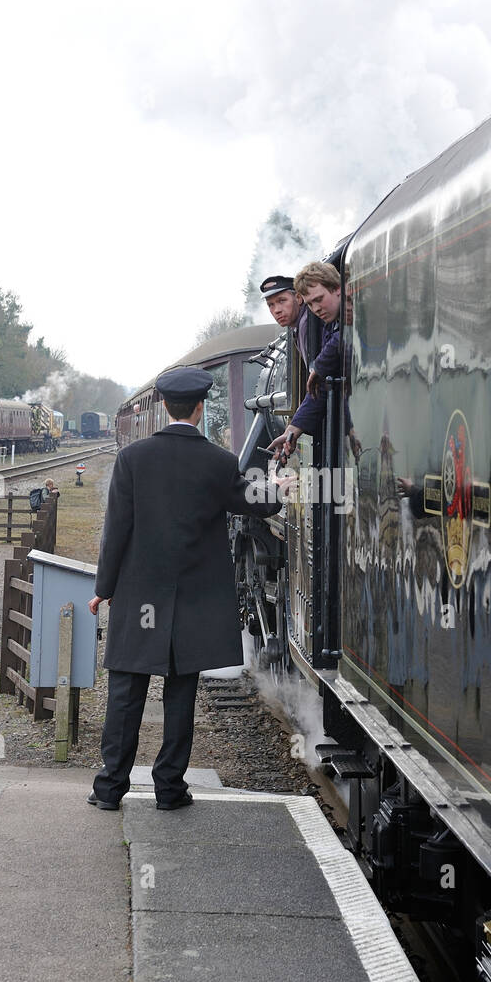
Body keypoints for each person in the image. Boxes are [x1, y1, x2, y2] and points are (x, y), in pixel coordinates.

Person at [87, 366, 284, 811]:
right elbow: (257, 503)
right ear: (199, 408)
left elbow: (115, 530)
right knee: (180, 695)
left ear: (163, 408)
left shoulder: (133, 459)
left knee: (125, 694)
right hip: (191, 602)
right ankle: (169, 790)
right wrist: (280, 487)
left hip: (139, 598)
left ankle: (109, 790)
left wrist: (105, 588)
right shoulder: (218, 462)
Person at [267, 261, 346, 462]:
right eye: (311, 304)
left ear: (338, 289)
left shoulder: (310, 324)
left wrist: (319, 367)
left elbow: (347, 333)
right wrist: (293, 429)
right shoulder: (323, 323)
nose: (316, 309)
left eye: (282, 301)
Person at [259, 274, 309, 365]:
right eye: (271, 305)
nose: (277, 310)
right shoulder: (300, 325)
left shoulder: (305, 324)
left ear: (298, 298)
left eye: (282, 300)